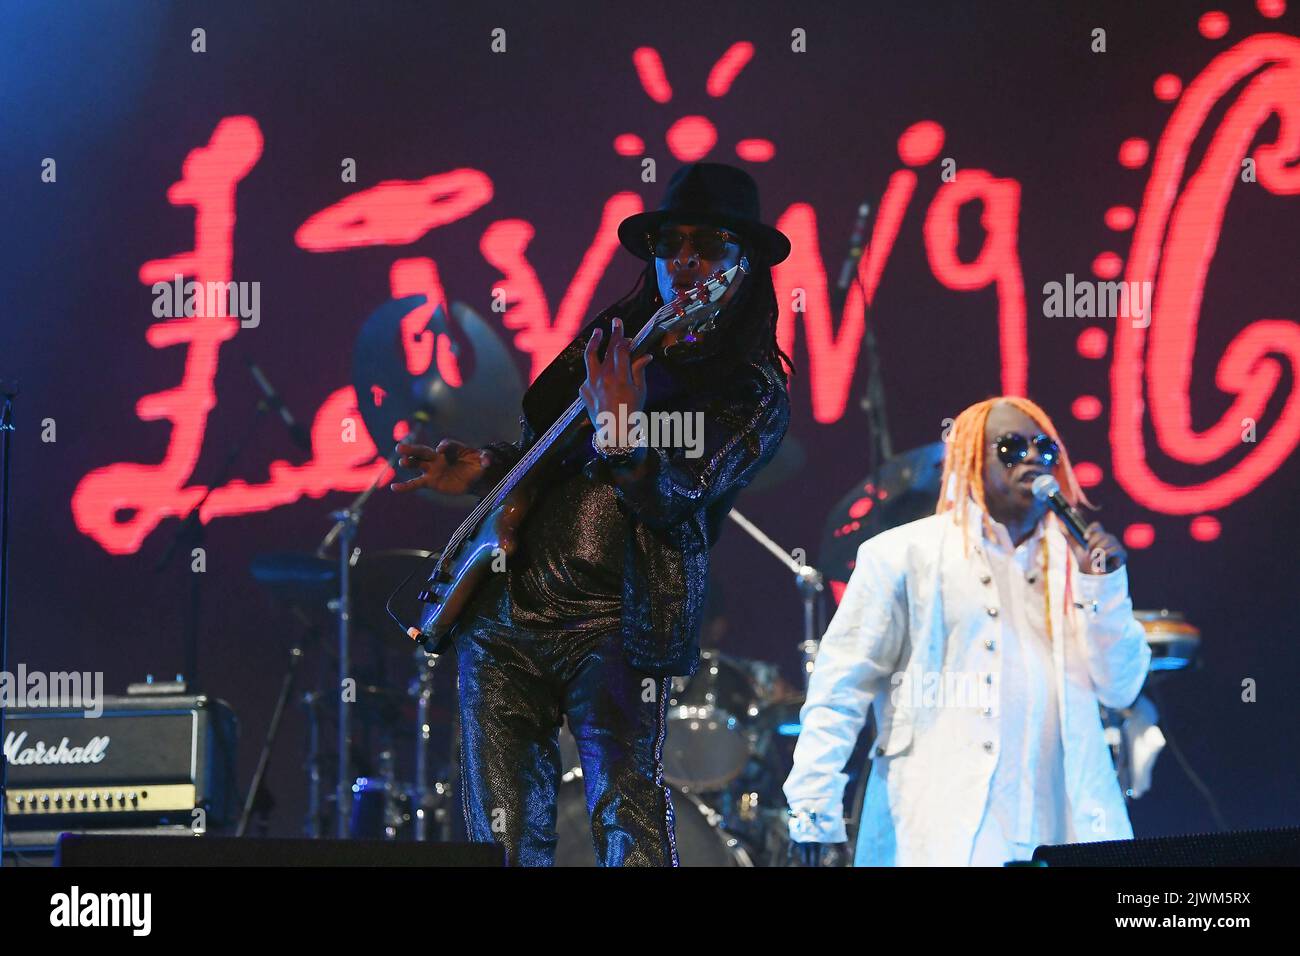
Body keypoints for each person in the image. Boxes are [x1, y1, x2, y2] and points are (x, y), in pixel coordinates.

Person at [392, 163, 792, 865]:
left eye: (710, 243)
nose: (685, 259)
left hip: (618, 626)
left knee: (627, 824)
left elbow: (675, 496)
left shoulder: (750, 391)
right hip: (506, 618)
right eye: (670, 242)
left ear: (747, 263)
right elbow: (541, 447)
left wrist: (625, 438)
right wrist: (483, 468)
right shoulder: (614, 343)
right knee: (501, 839)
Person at [783, 396, 1151, 866]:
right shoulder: (903, 555)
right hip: (942, 833)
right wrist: (814, 812)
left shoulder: (1077, 568)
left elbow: (1121, 690)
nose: (1034, 458)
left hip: (1063, 828)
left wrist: (1104, 588)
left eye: (1045, 449)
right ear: (972, 457)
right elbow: (839, 692)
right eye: (1012, 447)